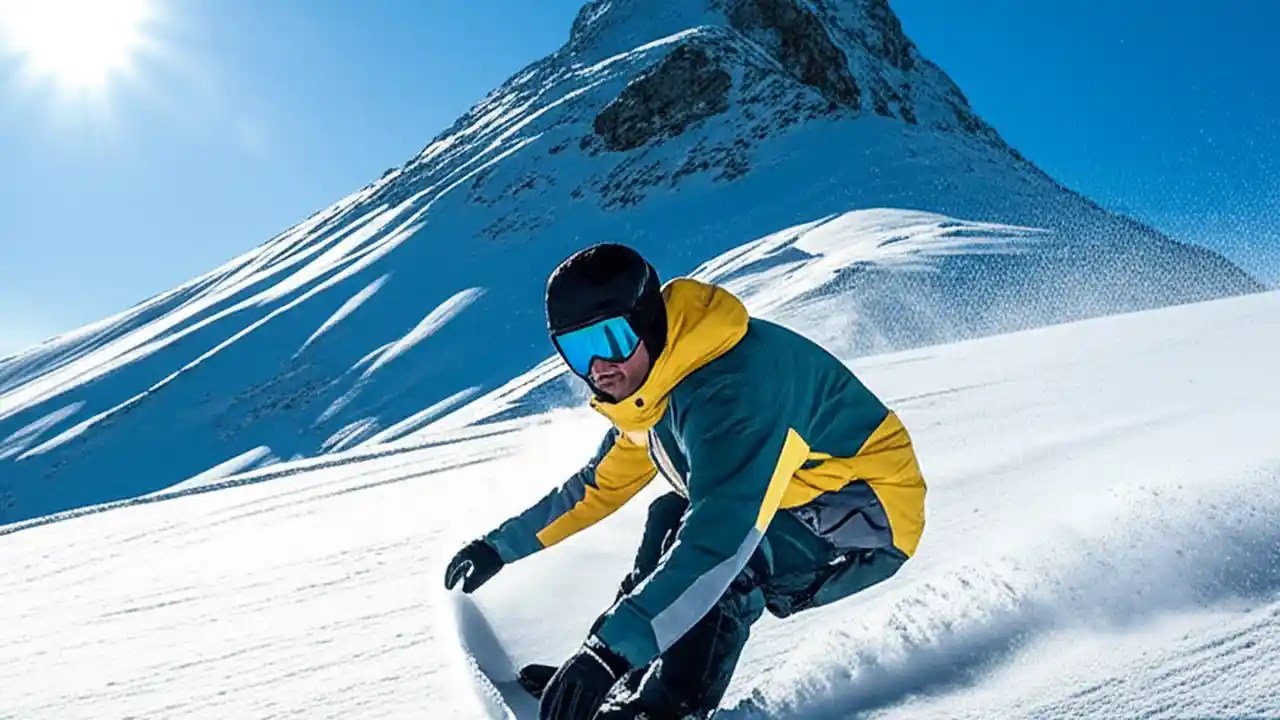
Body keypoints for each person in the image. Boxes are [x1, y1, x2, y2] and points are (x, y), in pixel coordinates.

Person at [444, 243, 927, 719]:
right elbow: (597, 487)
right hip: (796, 496)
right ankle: (628, 680)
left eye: (609, 340)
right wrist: (498, 548)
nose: (598, 367)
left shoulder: (732, 392)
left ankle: (668, 710)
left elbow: (718, 544)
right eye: (577, 349)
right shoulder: (657, 385)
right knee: (668, 515)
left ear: (648, 323)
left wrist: (606, 653)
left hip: (866, 516)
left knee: (727, 565)